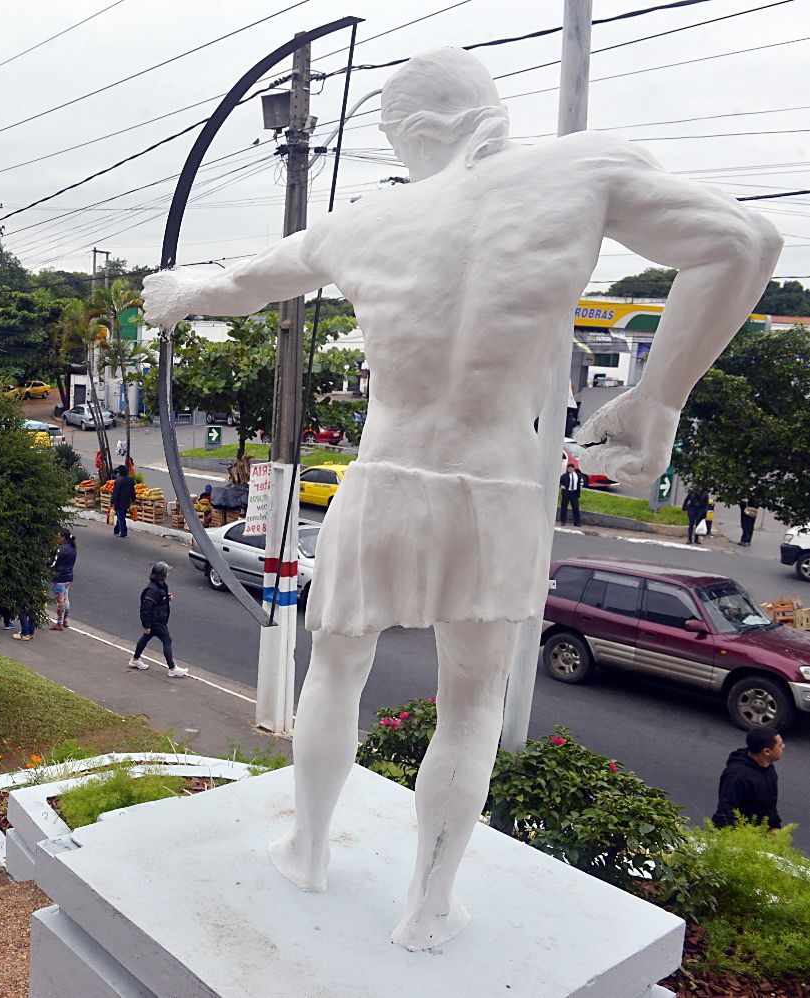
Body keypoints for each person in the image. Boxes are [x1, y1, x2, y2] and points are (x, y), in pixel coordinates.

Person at [141, 46, 780, 950]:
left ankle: (307, 850)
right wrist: (656, 397)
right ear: (484, 113)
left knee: (334, 671)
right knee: (471, 701)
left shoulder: (360, 223)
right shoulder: (582, 168)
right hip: (496, 485)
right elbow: (745, 243)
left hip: (384, 475)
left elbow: (237, 288)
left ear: (412, 131)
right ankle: (428, 905)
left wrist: (179, 293)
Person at [711, 727, 784, 829]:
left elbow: (769, 804)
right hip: (740, 833)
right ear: (767, 751)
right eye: (779, 745)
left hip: (760, 830)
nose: (783, 747)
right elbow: (726, 812)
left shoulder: (767, 765)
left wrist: (775, 826)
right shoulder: (736, 776)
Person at [129, 561, 189, 678]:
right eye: (166, 572)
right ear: (161, 575)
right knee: (167, 640)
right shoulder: (152, 590)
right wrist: (146, 625)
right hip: (156, 621)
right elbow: (145, 609)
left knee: (146, 638)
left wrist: (166, 598)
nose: (167, 574)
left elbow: (158, 601)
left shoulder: (159, 585)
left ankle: (135, 659)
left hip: (157, 619)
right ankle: (172, 668)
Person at [49, 532, 76, 630]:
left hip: (59, 577)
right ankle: (65, 620)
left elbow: (53, 563)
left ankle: (59, 623)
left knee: (59, 601)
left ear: (63, 537)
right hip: (69, 577)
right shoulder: (73, 548)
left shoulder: (60, 549)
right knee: (65, 598)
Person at [111, 465, 135, 538]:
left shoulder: (118, 480)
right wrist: (133, 499)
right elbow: (132, 491)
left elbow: (115, 492)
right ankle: (116, 530)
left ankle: (123, 532)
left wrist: (112, 501)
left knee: (121, 517)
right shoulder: (130, 480)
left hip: (119, 502)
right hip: (127, 502)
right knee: (120, 516)